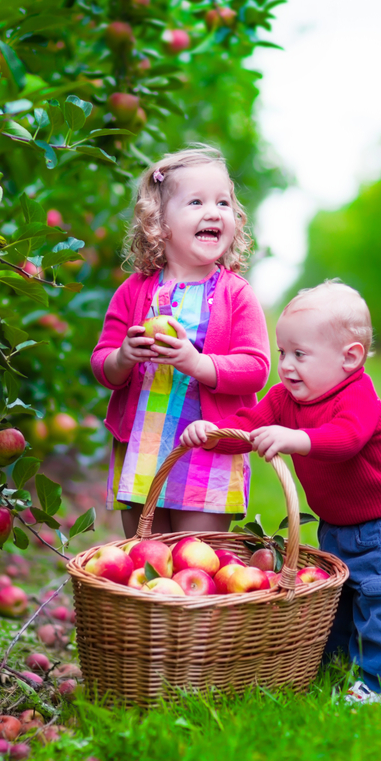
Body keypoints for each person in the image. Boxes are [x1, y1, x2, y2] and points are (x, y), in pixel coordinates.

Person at [180, 280, 381, 705]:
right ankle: (334, 662)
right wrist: (213, 434)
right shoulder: (283, 398)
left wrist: (295, 439)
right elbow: (247, 427)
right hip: (337, 526)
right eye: (283, 353)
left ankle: (377, 678)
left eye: (301, 355)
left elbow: (344, 439)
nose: (287, 366)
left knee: (380, 600)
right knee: (338, 601)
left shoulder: (358, 394)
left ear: (350, 359)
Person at [91, 145, 270, 539]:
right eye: (196, 201)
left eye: (223, 202)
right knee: (145, 557)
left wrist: (197, 363)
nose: (213, 211)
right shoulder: (134, 291)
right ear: (159, 222)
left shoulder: (235, 294)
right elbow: (102, 363)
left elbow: (256, 368)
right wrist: (123, 357)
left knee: (198, 558)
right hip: (143, 445)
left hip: (207, 450)